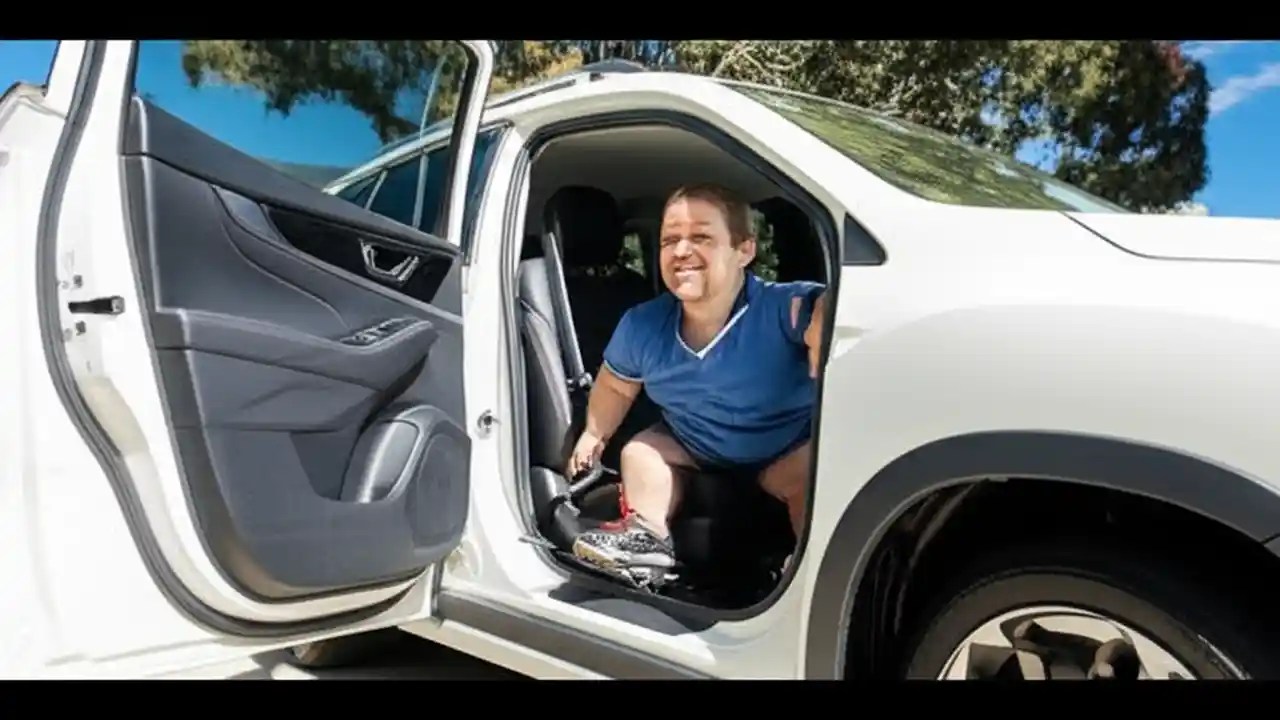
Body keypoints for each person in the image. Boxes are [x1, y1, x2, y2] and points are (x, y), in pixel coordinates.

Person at [566, 183, 827, 580]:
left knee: (811, 470)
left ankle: (808, 566)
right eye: (669, 240)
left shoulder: (784, 308)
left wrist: (825, 314)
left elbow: (822, 303)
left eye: (701, 237)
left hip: (785, 449)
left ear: (744, 250)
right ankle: (646, 539)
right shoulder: (642, 325)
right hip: (695, 446)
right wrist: (594, 435)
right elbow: (616, 386)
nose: (681, 251)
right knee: (641, 452)